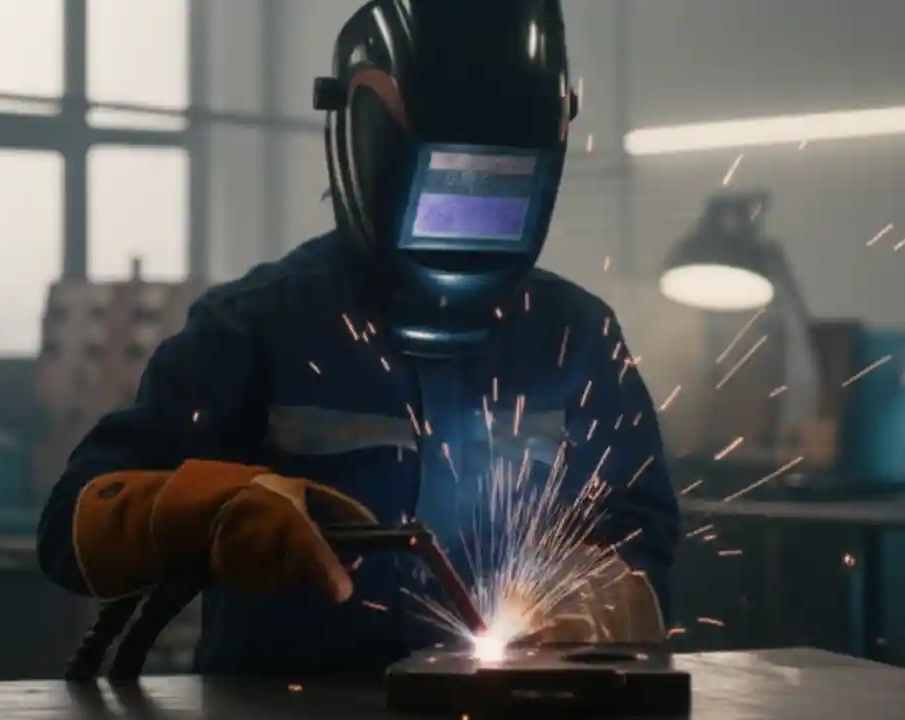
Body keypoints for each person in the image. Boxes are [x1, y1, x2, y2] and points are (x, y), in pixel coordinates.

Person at [37, 0, 681, 676]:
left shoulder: (576, 339)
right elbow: (67, 531)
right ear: (368, 143)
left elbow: (640, 531)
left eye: (502, 191)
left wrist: (605, 586)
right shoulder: (259, 326)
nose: (465, 231)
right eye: (446, 188)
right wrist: (202, 511)